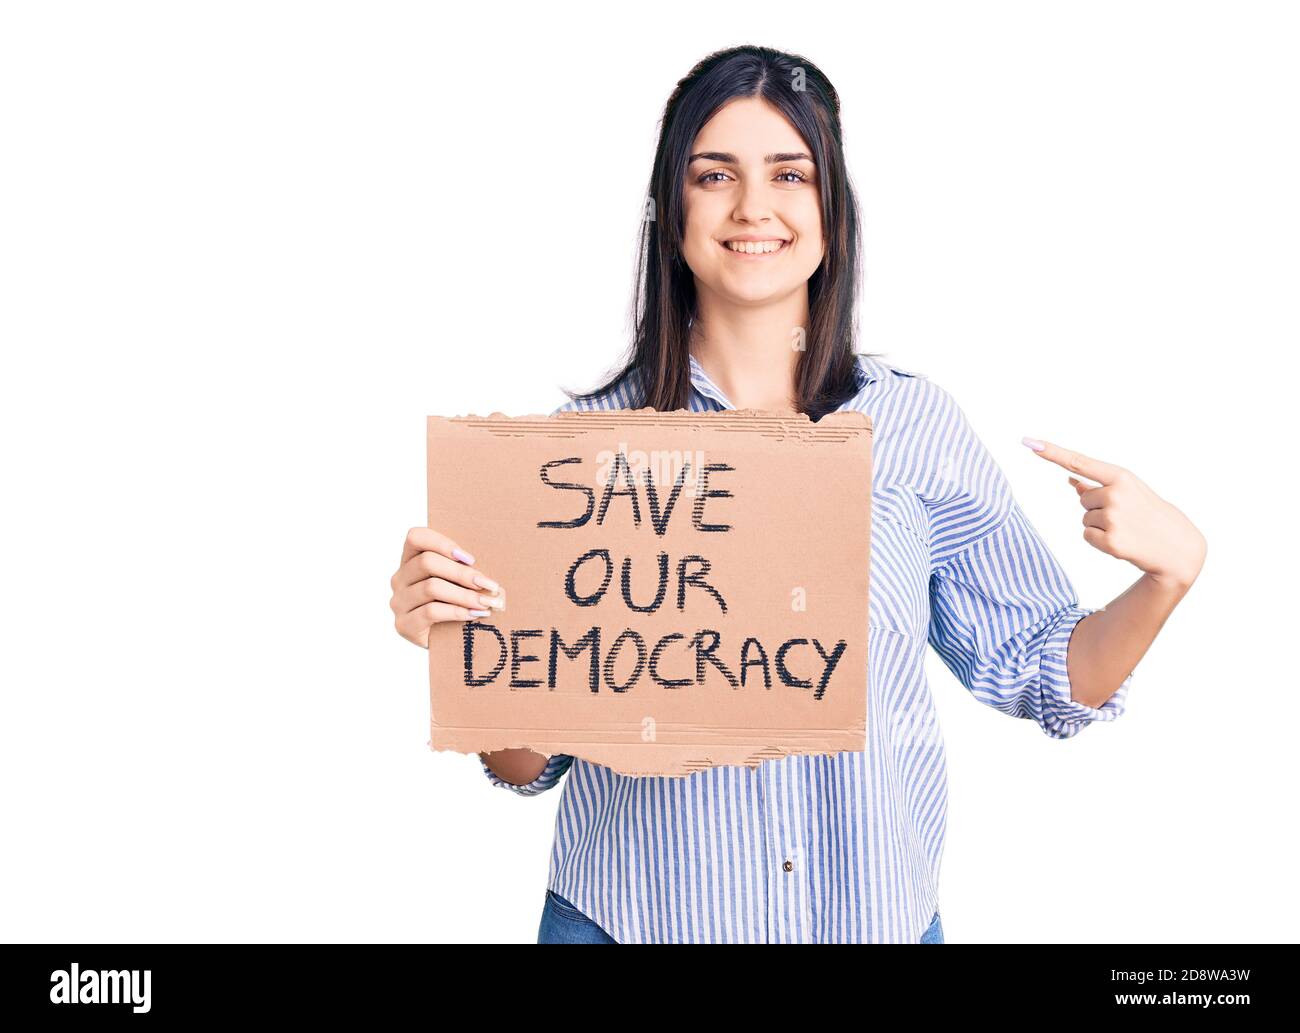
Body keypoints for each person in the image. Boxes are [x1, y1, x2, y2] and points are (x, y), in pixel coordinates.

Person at [389, 45, 1206, 944]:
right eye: (714, 175)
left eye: (790, 173)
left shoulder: (913, 426)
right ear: (672, 211)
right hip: (634, 923)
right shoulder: (578, 451)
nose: (753, 207)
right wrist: (465, 643)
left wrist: (1167, 577)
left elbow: (1043, 672)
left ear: (832, 213)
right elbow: (528, 763)